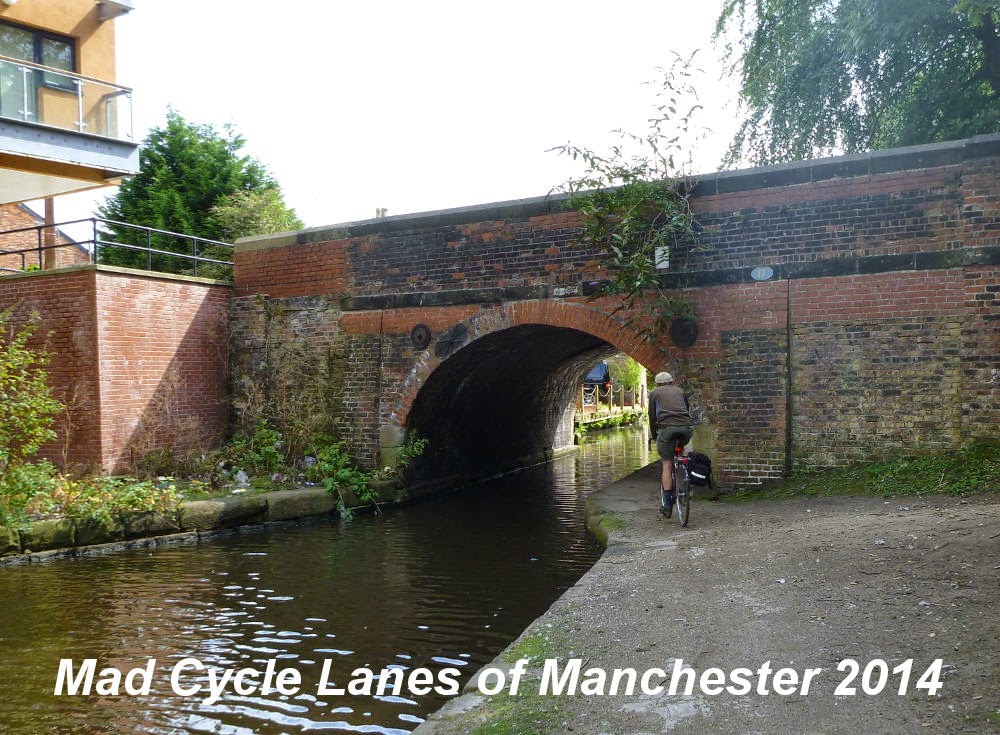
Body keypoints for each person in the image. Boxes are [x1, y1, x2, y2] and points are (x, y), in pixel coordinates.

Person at [648, 371, 693, 512]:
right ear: (671, 382)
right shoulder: (680, 391)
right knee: (681, 448)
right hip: (685, 429)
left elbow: (652, 416)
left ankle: (667, 504)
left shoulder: (655, 393)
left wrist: (654, 434)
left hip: (666, 429)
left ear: (657, 383)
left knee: (667, 464)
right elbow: (687, 409)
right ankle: (686, 474)